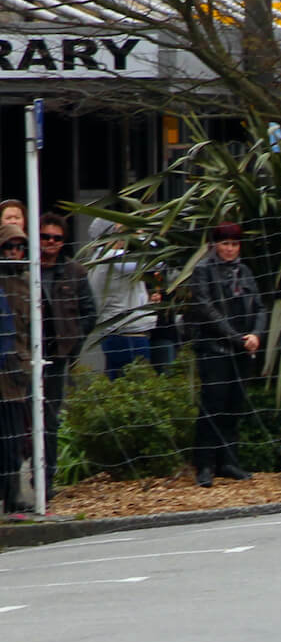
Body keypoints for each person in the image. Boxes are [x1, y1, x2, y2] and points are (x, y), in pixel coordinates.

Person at [180, 222, 268, 487]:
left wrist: (256, 334)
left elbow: (261, 306)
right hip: (215, 348)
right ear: (214, 244)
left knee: (234, 404)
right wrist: (236, 338)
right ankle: (204, 465)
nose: (230, 249)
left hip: (243, 348)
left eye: (234, 244)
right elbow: (206, 309)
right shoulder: (203, 270)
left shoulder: (245, 270)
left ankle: (228, 461)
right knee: (213, 406)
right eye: (225, 243)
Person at [37, 215, 95, 496]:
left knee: (50, 419)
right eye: (45, 236)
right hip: (24, 357)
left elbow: (89, 313)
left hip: (57, 358)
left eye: (56, 238)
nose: (50, 242)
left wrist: (73, 345)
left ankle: (46, 482)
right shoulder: (23, 268)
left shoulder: (76, 272)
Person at [88, 219, 156, 378]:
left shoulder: (97, 258)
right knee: (134, 387)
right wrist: (141, 237)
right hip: (127, 334)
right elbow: (155, 261)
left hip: (115, 332)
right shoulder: (113, 258)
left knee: (118, 385)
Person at [0, 227, 29, 510]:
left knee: (14, 438)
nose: (13, 252)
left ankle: (13, 497)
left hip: (15, 373)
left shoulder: (26, 284)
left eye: (19, 247)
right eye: (9, 246)